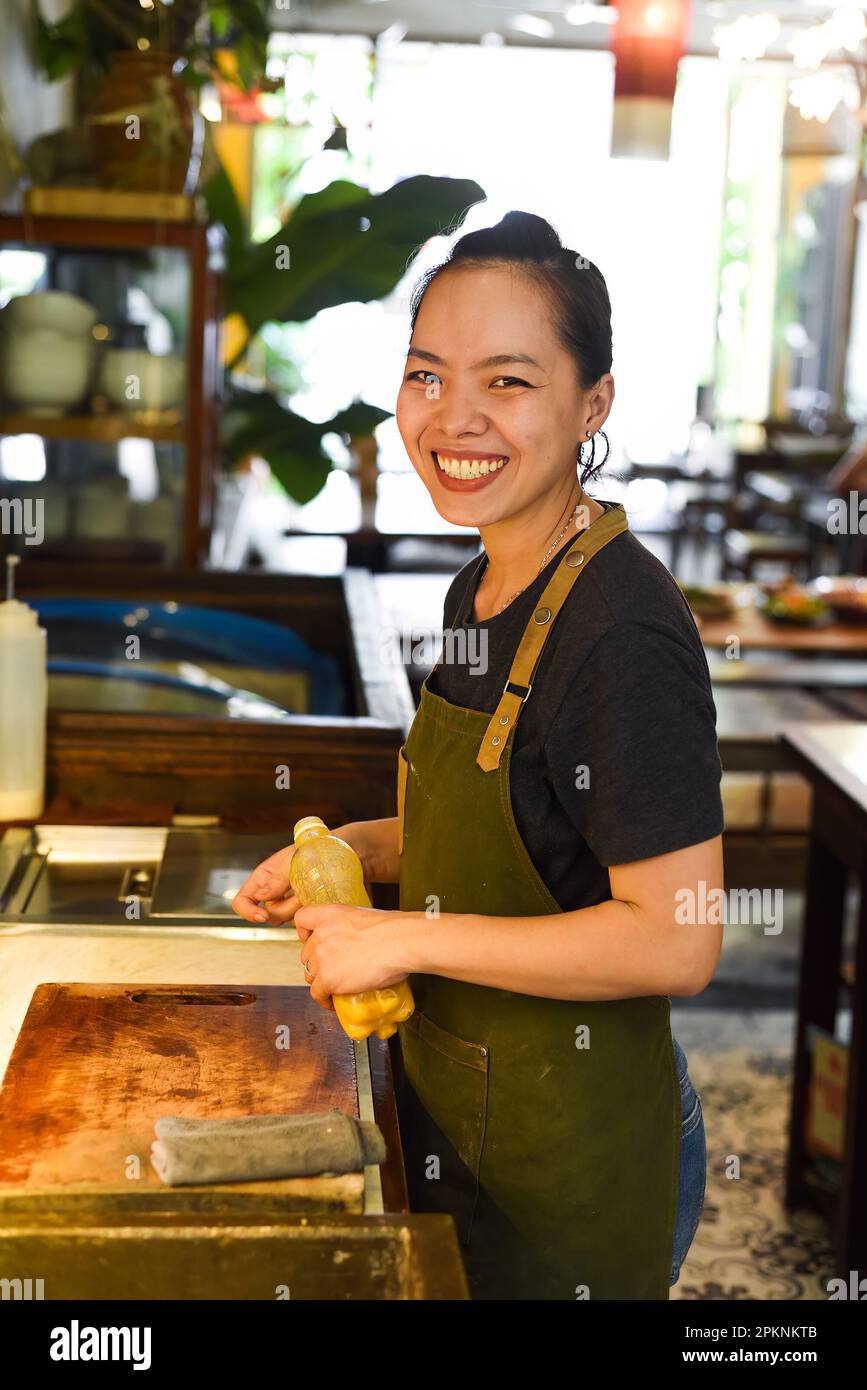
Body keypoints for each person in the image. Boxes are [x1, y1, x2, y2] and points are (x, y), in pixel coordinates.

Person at [233, 210, 724, 1300]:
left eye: (508, 381)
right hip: (462, 1117)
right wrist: (353, 849)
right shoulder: (483, 579)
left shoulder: (623, 631)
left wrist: (402, 936)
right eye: (427, 375)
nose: (455, 417)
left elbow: (678, 941)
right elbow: (519, 829)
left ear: (594, 402)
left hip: (577, 1155)